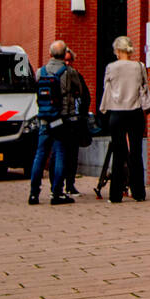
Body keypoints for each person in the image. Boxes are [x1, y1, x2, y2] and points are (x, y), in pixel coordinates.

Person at [99, 36, 150, 203]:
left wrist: (104, 109)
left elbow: (106, 89)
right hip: (135, 112)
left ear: (118, 50)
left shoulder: (111, 68)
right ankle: (139, 193)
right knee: (136, 153)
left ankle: (115, 195)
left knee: (118, 153)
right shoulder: (139, 66)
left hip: (117, 113)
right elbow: (144, 87)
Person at [29, 40, 78, 206]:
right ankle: (57, 193)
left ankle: (34, 193)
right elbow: (77, 90)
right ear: (65, 54)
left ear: (50, 54)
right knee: (60, 154)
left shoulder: (39, 72)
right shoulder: (69, 72)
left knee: (40, 155)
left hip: (44, 118)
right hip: (61, 119)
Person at [60, 46, 91, 197]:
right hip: (60, 120)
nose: (66, 63)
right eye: (64, 60)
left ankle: (70, 184)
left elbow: (85, 96)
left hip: (74, 120)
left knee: (72, 154)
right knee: (60, 153)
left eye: (69, 60)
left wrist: (82, 115)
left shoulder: (76, 76)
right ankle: (58, 185)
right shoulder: (56, 75)